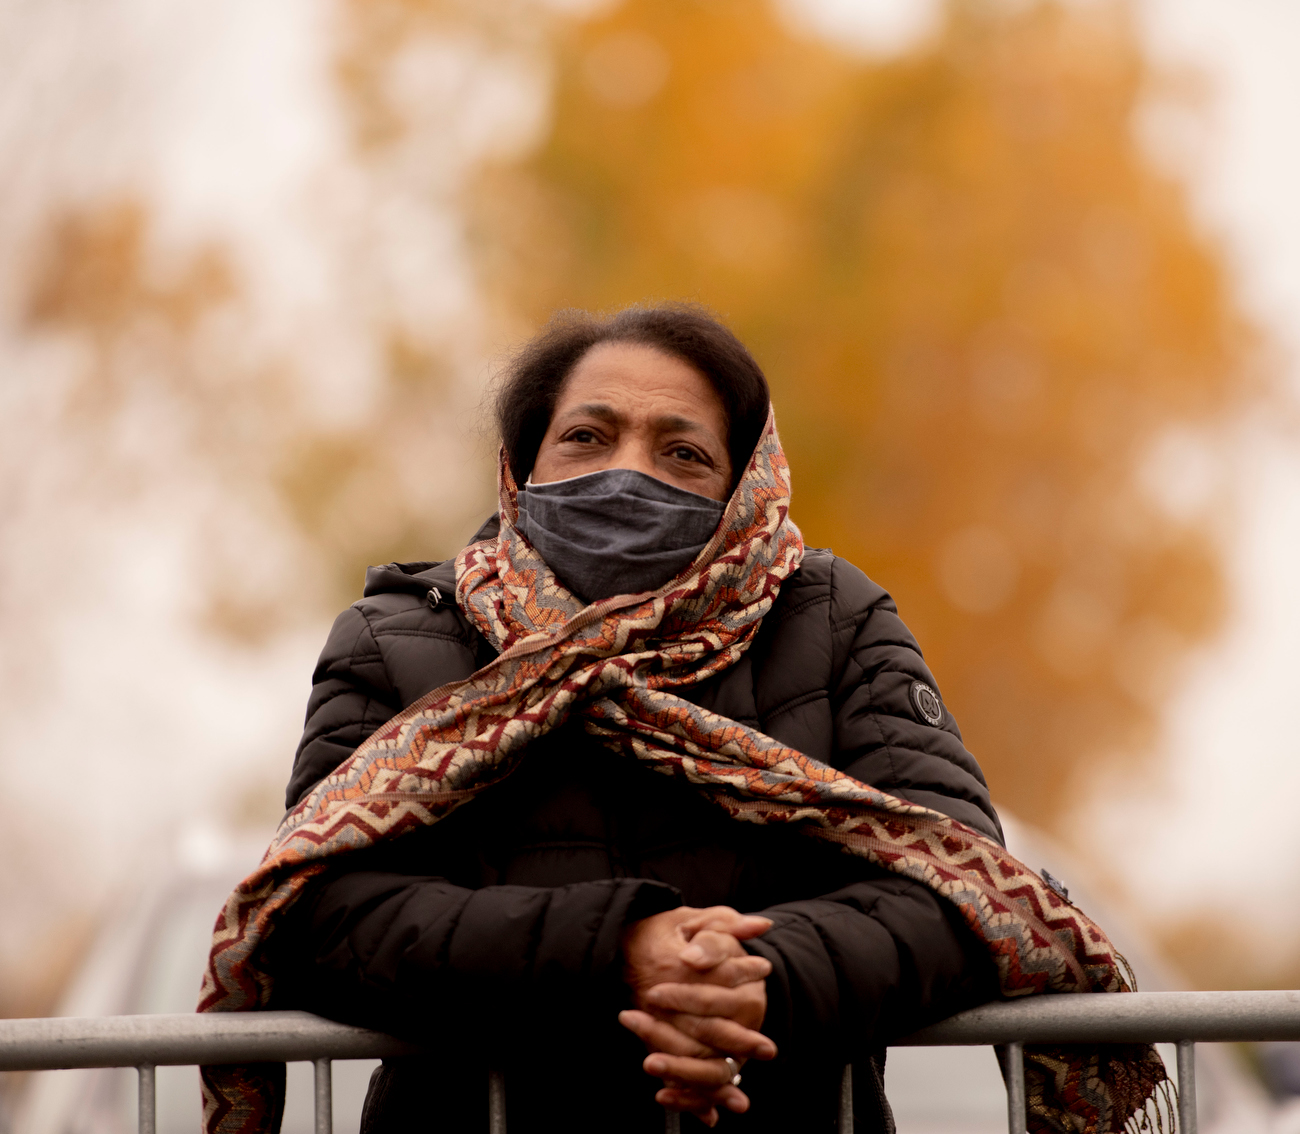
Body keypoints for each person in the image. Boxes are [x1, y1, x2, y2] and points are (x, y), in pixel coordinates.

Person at [199, 305, 1165, 1134]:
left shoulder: (834, 623)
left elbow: (957, 883)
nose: (627, 473)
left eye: (683, 452)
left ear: (746, 486)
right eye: (587, 437)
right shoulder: (398, 639)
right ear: (520, 467)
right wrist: (618, 950)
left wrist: (755, 978)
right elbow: (320, 912)